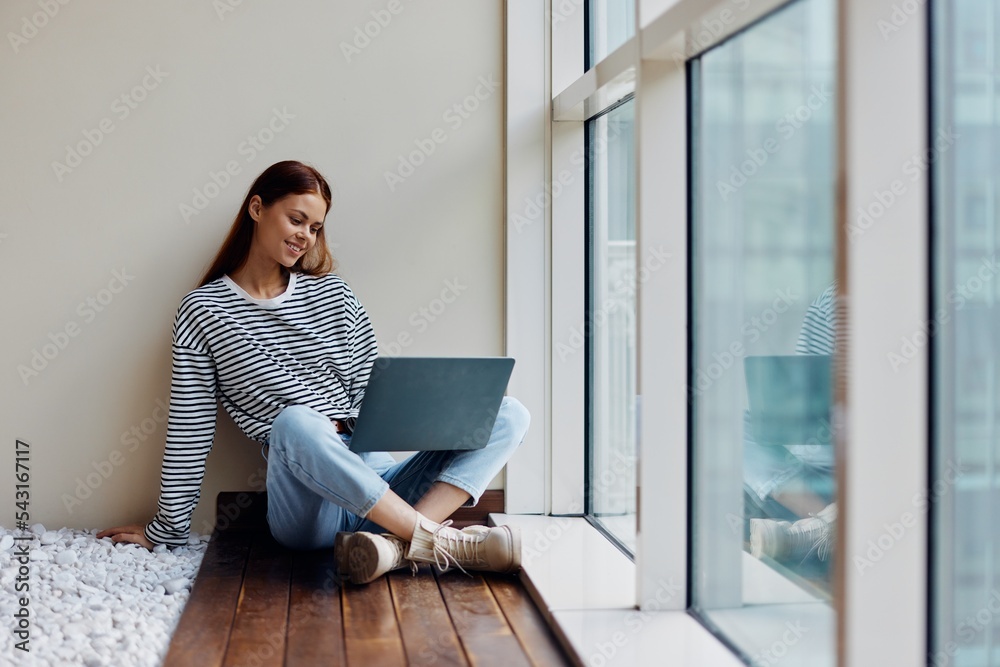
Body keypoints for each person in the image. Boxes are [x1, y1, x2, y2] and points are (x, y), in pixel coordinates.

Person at [98, 160, 530, 584]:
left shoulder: (334, 294)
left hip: (376, 481)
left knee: (509, 413)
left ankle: (397, 548)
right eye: (297, 219)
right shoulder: (204, 311)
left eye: (315, 227)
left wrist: (431, 418)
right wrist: (167, 530)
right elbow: (190, 427)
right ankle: (438, 542)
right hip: (308, 510)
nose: (305, 236)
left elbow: (372, 397)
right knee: (296, 420)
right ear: (256, 209)